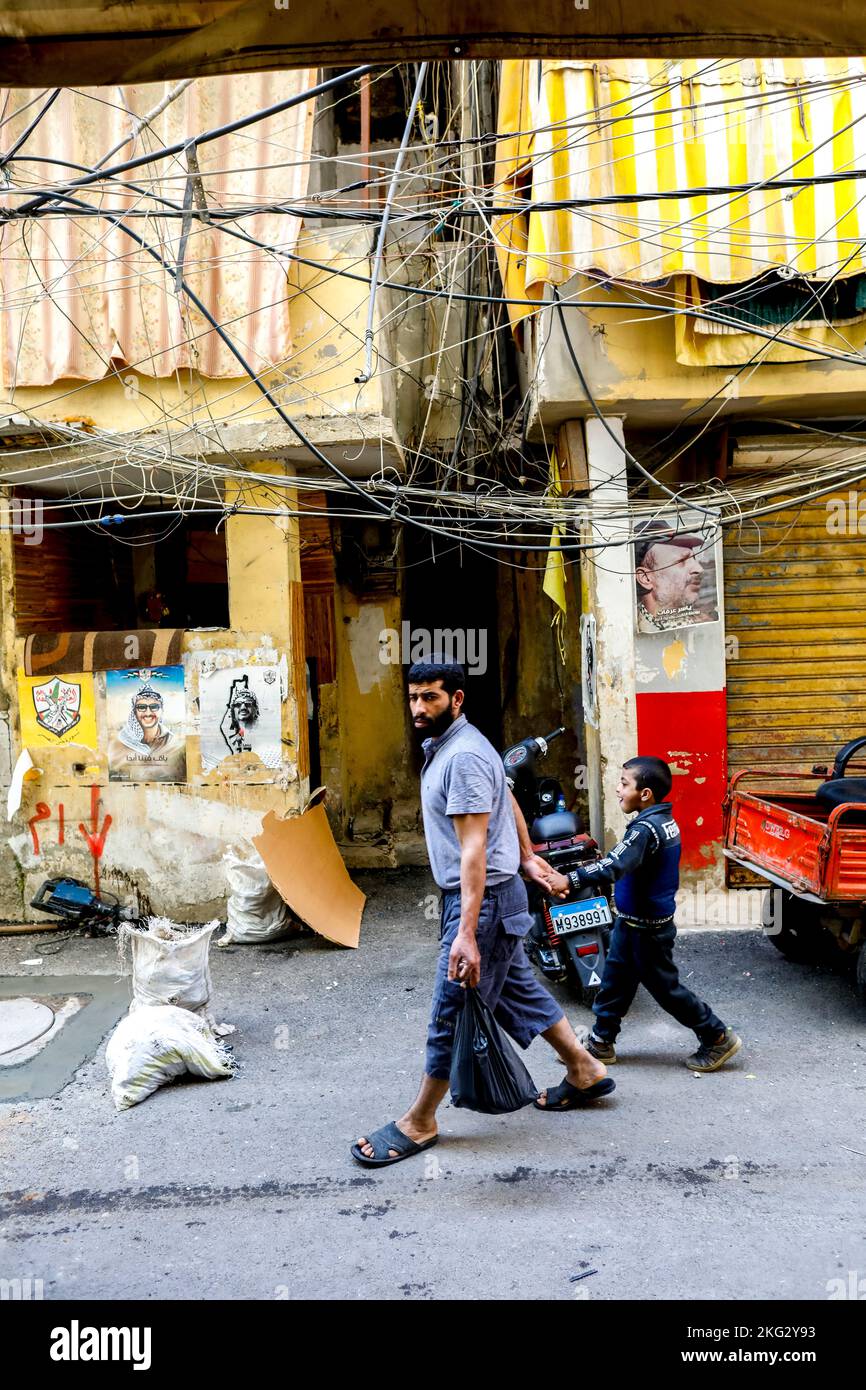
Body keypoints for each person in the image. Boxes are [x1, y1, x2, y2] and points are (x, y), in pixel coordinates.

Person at [351, 658, 614, 1168]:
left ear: (457, 699)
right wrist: (526, 856)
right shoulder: (462, 746)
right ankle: (584, 1069)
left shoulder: (464, 757)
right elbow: (509, 799)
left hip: (482, 902)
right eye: (413, 697)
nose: (419, 708)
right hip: (497, 895)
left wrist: (465, 934)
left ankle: (421, 1120)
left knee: (451, 1010)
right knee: (518, 989)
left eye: (430, 698)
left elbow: (473, 850)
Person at [547, 755, 742, 1073]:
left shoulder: (645, 831)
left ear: (646, 793)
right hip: (634, 923)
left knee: (667, 991)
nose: (618, 790)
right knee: (613, 983)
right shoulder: (662, 821)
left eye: (624, 784)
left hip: (647, 930)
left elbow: (614, 865)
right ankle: (601, 1042)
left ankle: (717, 1036)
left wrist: (570, 879)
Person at [634, 524, 715, 632]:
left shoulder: (705, 626)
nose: (699, 569)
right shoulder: (631, 629)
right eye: (682, 561)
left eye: (694, 559)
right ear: (645, 578)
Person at [108, 683, 185, 782]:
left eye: (154, 707)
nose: (148, 713)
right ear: (134, 712)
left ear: (161, 711)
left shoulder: (173, 742)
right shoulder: (120, 743)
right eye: (141, 707)